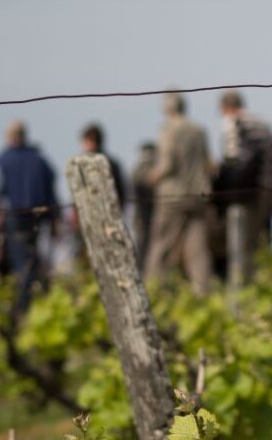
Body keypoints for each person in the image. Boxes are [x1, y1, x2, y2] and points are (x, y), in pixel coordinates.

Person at [144, 92, 216, 294]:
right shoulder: (198, 130)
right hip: (198, 194)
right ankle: (203, 293)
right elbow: (209, 164)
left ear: (167, 108)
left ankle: (154, 292)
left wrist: (152, 177)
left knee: (162, 246)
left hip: (173, 196)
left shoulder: (168, 130)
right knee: (198, 250)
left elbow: (167, 164)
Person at [217, 91, 272, 284]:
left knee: (243, 242)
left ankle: (243, 285)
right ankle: (267, 280)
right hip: (269, 187)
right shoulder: (261, 123)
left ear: (225, 107)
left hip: (249, 192)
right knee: (263, 239)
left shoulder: (235, 124)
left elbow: (233, 159)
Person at [0, 121, 58, 313]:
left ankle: (22, 309)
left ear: (10, 138)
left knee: (20, 264)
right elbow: (51, 193)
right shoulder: (41, 161)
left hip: (14, 218)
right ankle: (37, 301)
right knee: (34, 259)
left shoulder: (3, 160)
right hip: (38, 218)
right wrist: (54, 219)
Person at [80, 124, 126, 208]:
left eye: (87, 141)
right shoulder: (113, 163)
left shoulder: (109, 164)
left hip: (106, 209)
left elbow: (120, 191)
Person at [131, 142, 156, 271]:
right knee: (143, 246)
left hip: (147, 216)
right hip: (145, 216)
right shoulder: (143, 171)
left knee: (145, 246)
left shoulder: (137, 171)